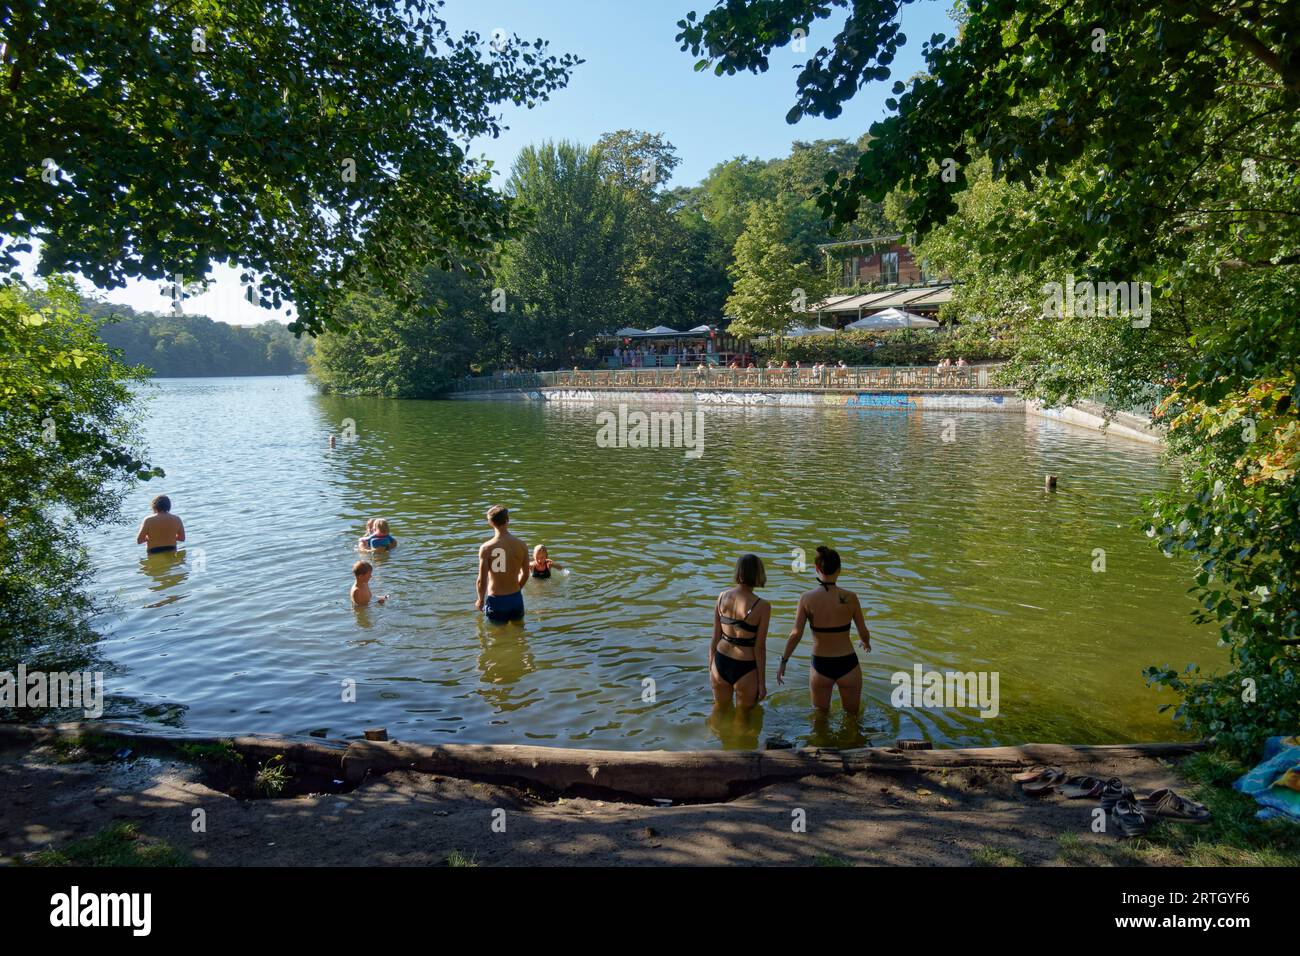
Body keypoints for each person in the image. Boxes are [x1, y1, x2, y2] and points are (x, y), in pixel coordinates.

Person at [777, 546, 872, 714]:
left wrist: (784, 661)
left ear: (817, 569)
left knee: (819, 719)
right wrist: (865, 642)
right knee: (853, 717)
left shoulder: (806, 598)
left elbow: (795, 634)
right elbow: (863, 631)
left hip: (820, 665)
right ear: (839, 570)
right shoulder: (851, 597)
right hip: (848, 663)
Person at [710, 554, 771, 708]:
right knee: (744, 721)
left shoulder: (722, 597)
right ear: (758, 574)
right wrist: (762, 683)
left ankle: (711, 733)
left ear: (738, 571)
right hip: (745, 666)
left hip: (720, 661)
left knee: (719, 710)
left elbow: (715, 636)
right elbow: (760, 647)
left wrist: (711, 664)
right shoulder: (762, 606)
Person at [476, 505, 529, 623]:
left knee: (496, 637)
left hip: (497, 601)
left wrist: (480, 600)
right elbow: (526, 574)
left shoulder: (486, 548)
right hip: (516, 599)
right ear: (507, 520)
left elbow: (481, 580)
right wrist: (517, 589)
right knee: (519, 635)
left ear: (490, 523)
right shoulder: (521, 545)